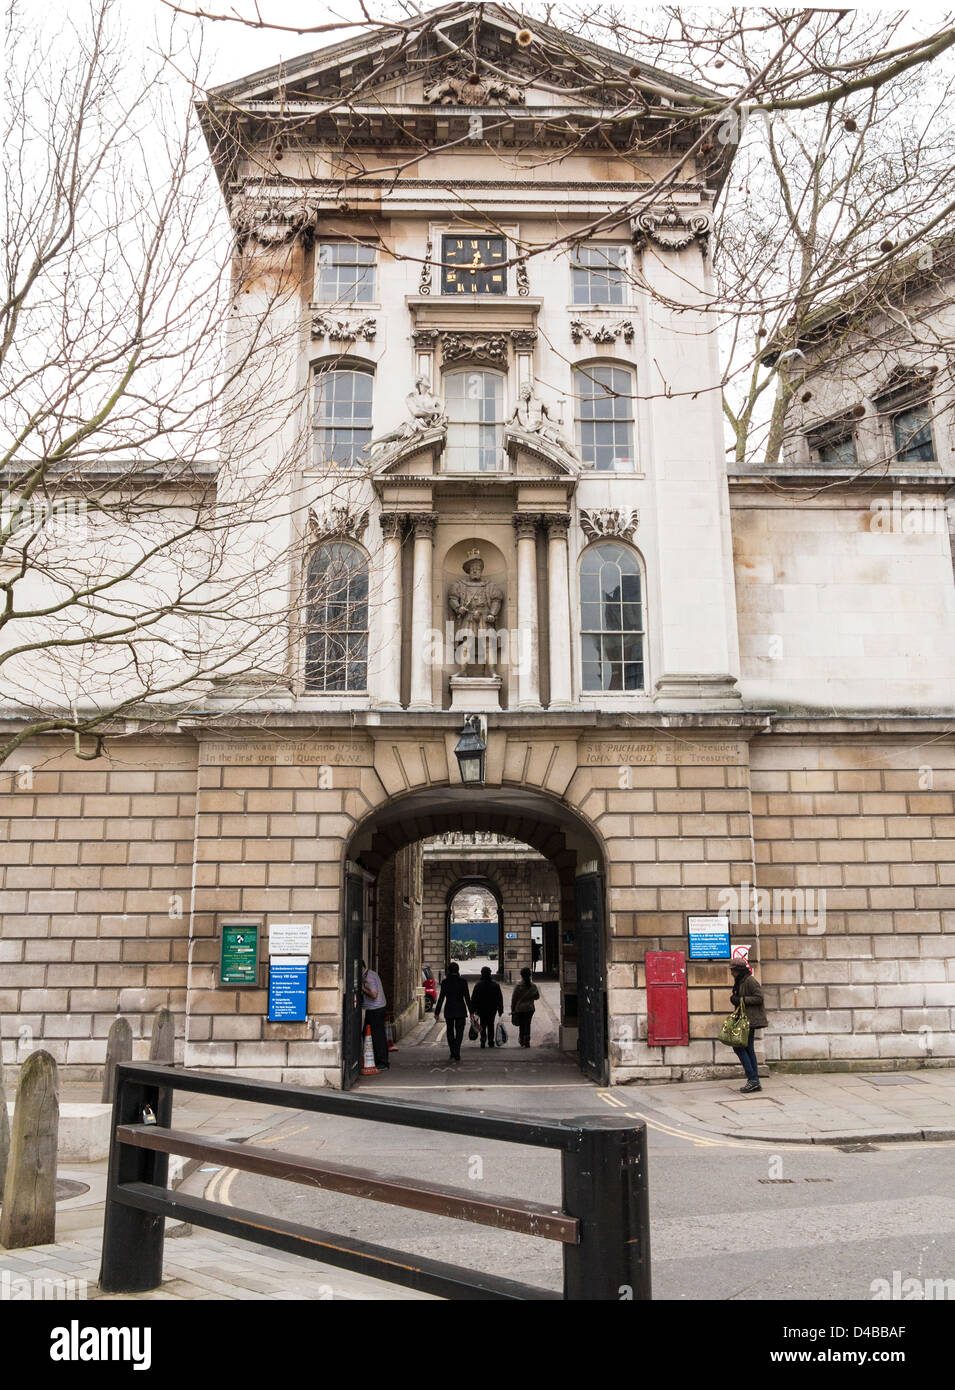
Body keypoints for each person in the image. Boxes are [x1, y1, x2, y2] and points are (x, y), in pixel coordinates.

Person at [729, 957, 768, 1093]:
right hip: (745, 1019)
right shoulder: (740, 980)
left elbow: (759, 997)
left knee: (739, 1047)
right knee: (748, 1048)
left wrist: (740, 1000)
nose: (731, 973)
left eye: (732, 970)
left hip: (749, 1020)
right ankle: (754, 1080)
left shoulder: (750, 980)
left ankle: (753, 1079)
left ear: (738, 970)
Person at [433, 961, 473, 1062]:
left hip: (449, 1010)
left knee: (450, 1032)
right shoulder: (463, 981)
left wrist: (437, 1013)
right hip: (460, 1010)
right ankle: (457, 1052)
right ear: (458, 970)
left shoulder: (445, 982)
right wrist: (471, 1012)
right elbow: (467, 998)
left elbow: (441, 998)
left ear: (449, 971)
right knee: (459, 1032)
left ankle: (452, 1052)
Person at [361, 959, 389, 1070]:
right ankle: (375, 1060)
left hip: (375, 1010)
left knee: (377, 1037)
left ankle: (382, 1062)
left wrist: (362, 988)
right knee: (369, 1034)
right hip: (375, 1009)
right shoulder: (371, 973)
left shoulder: (369, 977)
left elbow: (374, 994)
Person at [470, 966, 504, 1048]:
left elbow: (474, 998)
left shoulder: (478, 985)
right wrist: (500, 1009)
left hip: (481, 1009)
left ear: (482, 974)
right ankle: (491, 1041)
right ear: (490, 974)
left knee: (482, 1024)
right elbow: (499, 998)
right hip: (492, 1009)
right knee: (491, 1024)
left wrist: (472, 1010)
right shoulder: (495, 985)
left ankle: (483, 1040)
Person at [510, 967, 540, 1049]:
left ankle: (522, 1039)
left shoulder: (518, 986)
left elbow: (514, 999)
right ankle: (527, 1040)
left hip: (520, 1008)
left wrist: (512, 1009)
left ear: (521, 975)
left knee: (522, 1024)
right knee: (527, 1024)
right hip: (530, 1008)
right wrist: (530, 997)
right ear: (530, 975)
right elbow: (537, 997)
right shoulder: (533, 986)